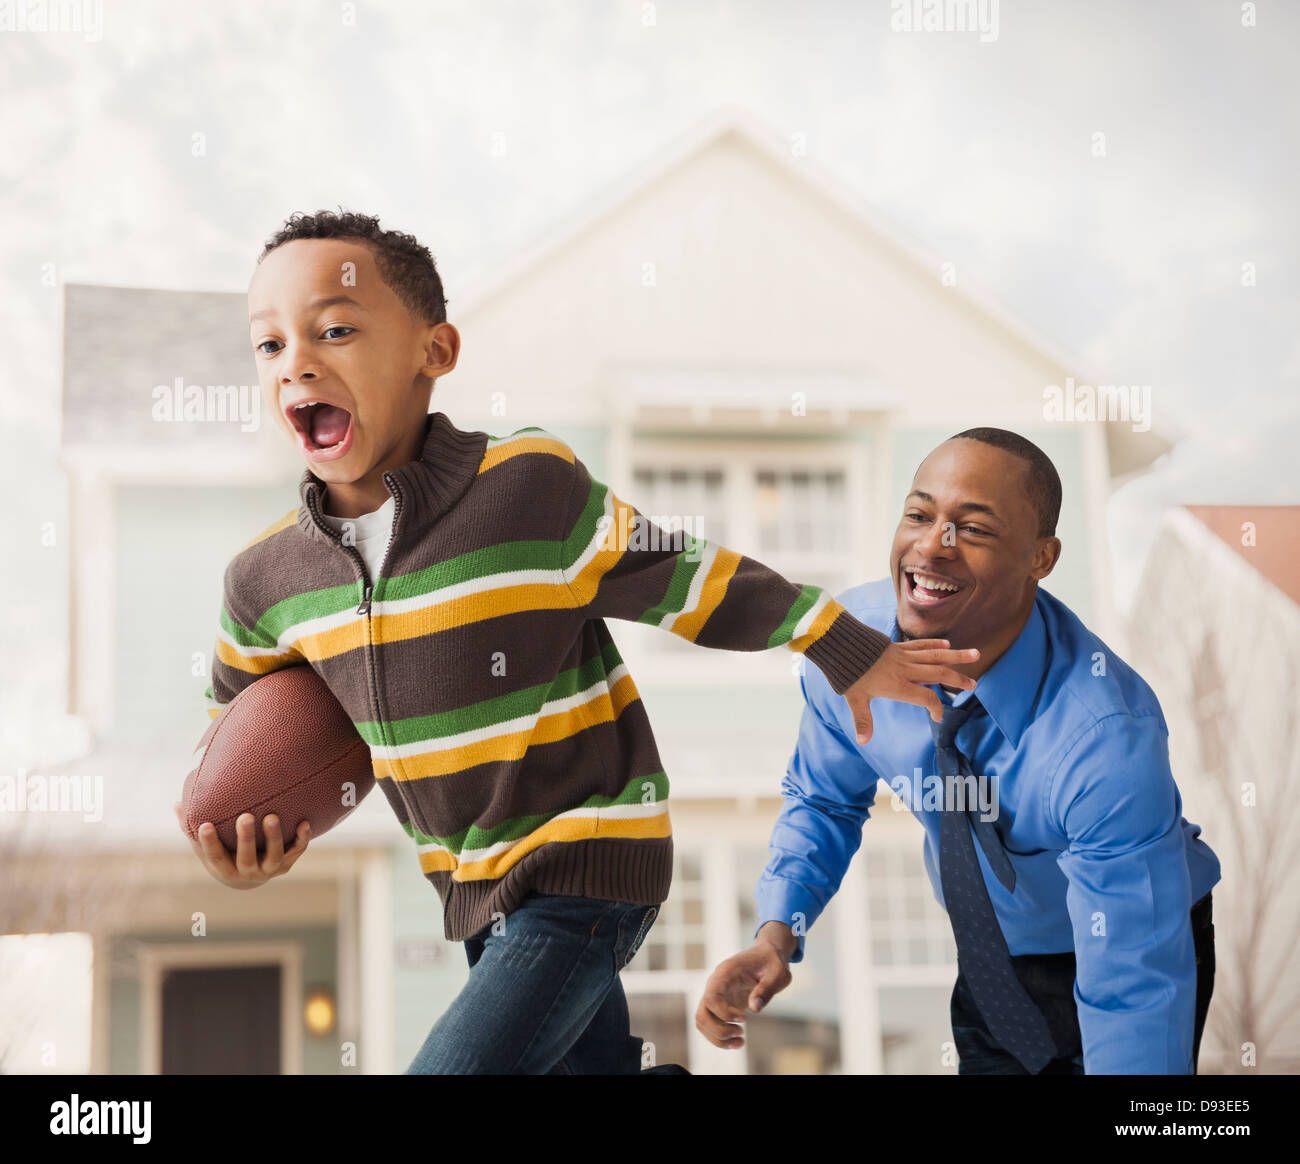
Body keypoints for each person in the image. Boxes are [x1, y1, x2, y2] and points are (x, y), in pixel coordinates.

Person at [175, 208, 978, 1075]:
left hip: (588, 865)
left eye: (335, 329)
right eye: (269, 345)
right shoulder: (264, 583)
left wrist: (842, 642)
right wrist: (235, 849)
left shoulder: (525, 488)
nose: (298, 359)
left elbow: (689, 577)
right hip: (473, 892)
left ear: (434, 351)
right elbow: (237, 737)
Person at [696, 429, 1220, 1074]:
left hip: (1127, 936)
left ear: (1041, 557)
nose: (931, 546)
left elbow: (1133, 986)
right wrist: (778, 932)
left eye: (972, 530)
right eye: (919, 515)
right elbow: (825, 800)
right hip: (989, 954)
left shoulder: (1104, 736)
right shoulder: (846, 651)